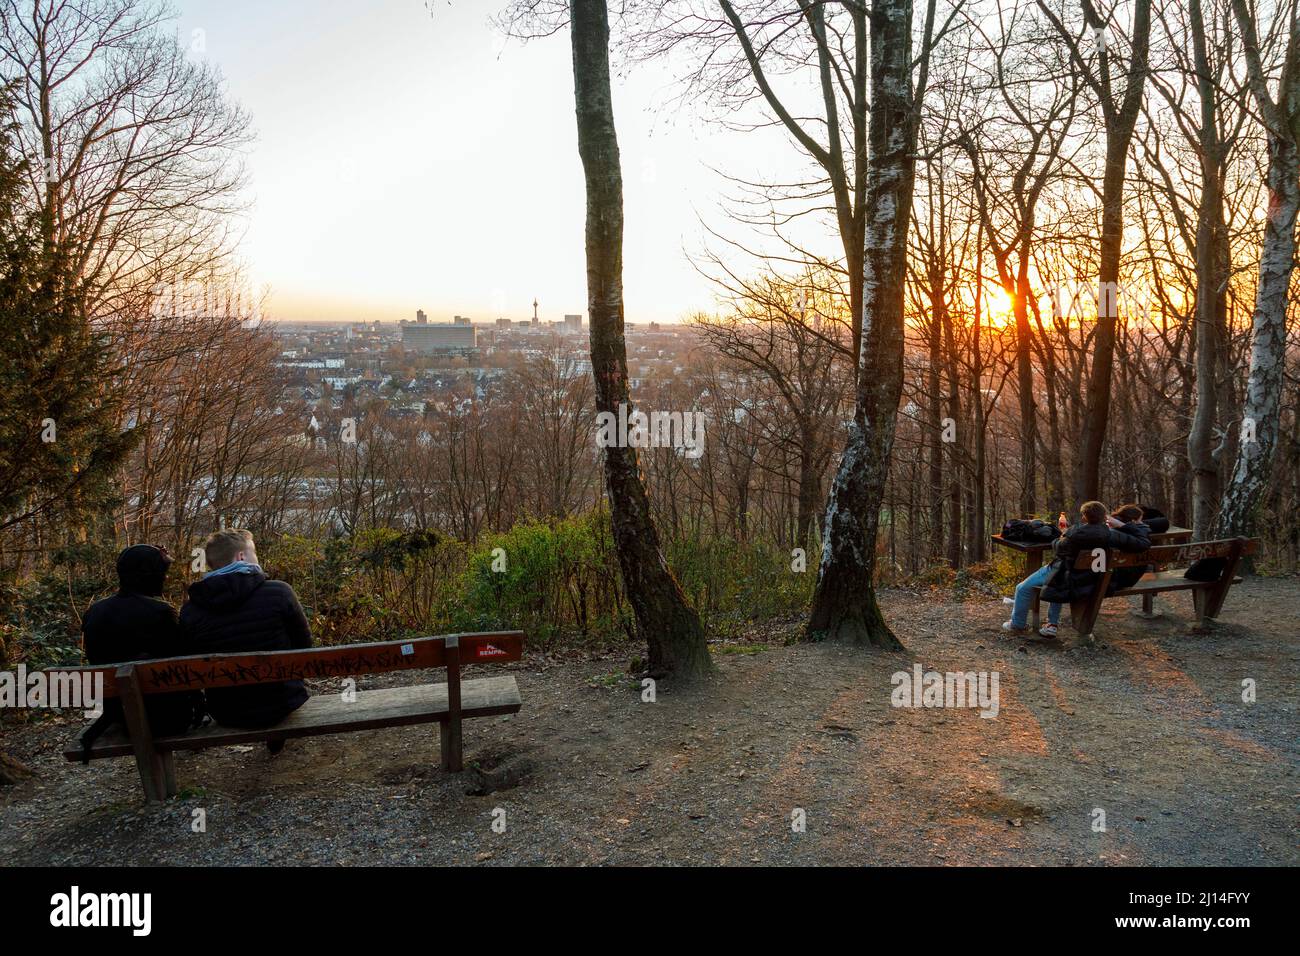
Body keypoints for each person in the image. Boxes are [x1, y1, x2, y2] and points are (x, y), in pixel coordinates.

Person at [179, 529, 311, 742]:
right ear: (241, 557)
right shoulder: (279, 592)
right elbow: (305, 646)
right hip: (283, 702)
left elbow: (191, 661)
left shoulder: (191, 610)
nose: (256, 558)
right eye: (254, 552)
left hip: (227, 711)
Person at [81, 545, 205, 747]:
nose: (165, 579)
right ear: (149, 575)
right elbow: (185, 667)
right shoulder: (162, 613)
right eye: (162, 573)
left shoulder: (94, 612)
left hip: (121, 718)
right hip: (168, 719)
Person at [1003, 500, 1151, 639]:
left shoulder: (1075, 533)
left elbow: (1059, 549)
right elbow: (1142, 542)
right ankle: (1051, 624)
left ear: (1084, 517)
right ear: (1104, 517)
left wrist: (1061, 536)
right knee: (1057, 578)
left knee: (1023, 587)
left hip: (1069, 577)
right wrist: (1122, 525)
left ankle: (1017, 624)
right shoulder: (1112, 534)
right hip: (1094, 578)